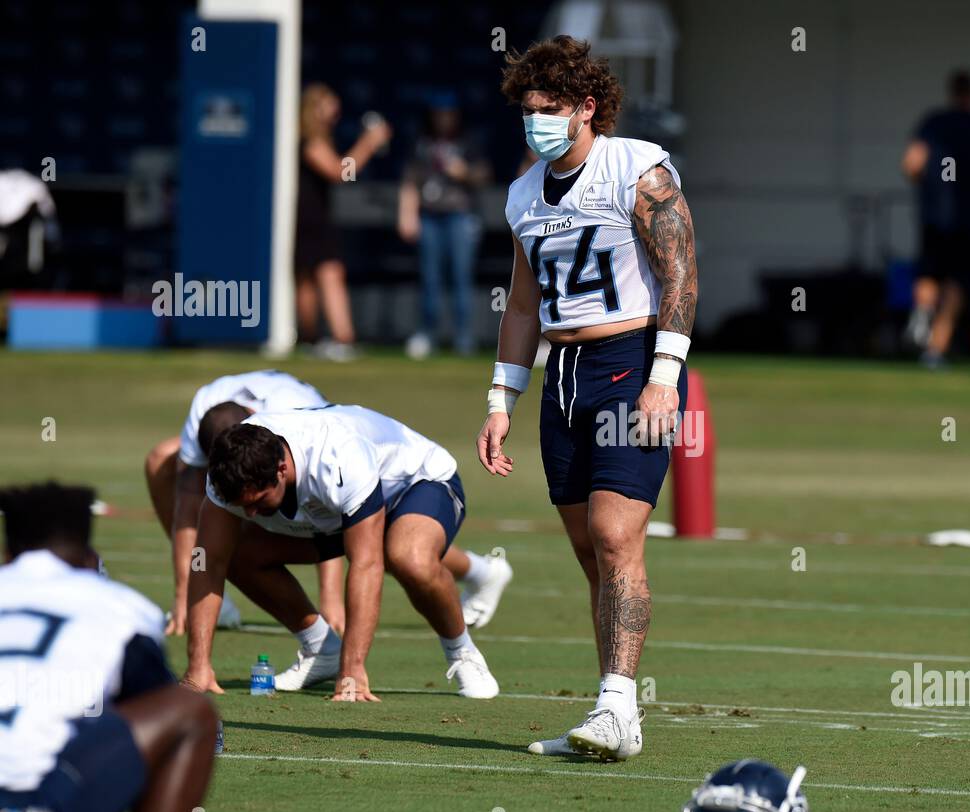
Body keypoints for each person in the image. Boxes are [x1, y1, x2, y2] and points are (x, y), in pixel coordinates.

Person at [480, 35, 697, 760]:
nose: (536, 122)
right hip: (562, 374)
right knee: (591, 554)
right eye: (527, 110)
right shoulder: (521, 193)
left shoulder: (637, 168)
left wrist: (664, 375)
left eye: (549, 110)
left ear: (587, 108)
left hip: (629, 360)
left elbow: (681, 273)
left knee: (614, 535)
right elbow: (520, 303)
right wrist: (501, 396)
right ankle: (616, 705)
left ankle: (615, 707)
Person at [184, 405, 510, 701]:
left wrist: (352, 670)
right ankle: (320, 648)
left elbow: (366, 564)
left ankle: (462, 651)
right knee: (234, 552)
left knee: (408, 558)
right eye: (243, 506)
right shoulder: (225, 472)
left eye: (258, 502)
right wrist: (198, 666)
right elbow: (203, 560)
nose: (251, 515)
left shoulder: (337, 458)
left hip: (416, 482)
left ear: (282, 469)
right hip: (334, 512)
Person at [0, 482, 217, 812]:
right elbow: (147, 710)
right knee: (190, 713)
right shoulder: (121, 609)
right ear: (89, 557)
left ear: (7, 554)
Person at [143, 370, 345, 637]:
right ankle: (208, 591)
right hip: (237, 432)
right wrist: (184, 593)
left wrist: (331, 597)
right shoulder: (204, 407)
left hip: (314, 454)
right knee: (161, 458)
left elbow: (326, 502)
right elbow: (189, 512)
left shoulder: (296, 416)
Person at [901, 69, 970, 368]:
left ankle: (921, 313)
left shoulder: (933, 123)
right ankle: (935, 351)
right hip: (968, 219)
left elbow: (912, 163)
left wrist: (929, 184)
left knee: (929, 273)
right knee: (958, 284)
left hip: (934, 214)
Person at [296, 83, 391, 362]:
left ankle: (310, 340)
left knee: (309, 277)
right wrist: (369, 142)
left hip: (311, 215)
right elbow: (340, 172)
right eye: (328, 105)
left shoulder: (317, 138)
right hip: (309, 218)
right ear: (313, 109)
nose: (334, 112)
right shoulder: (309, 141)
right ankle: (342, 339)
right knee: (328, 272)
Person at [399, 92, 492, 359]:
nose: (443, 119)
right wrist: (407, 214)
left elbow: (484, 175)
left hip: (460, 216)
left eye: (448, 114)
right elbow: (410, 181)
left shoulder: (470, 141)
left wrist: (463, 172)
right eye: (438, 114)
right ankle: (428, 334)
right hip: (429, 216)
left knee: (461, 278)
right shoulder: (422, 142)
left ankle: (464, 337)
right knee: (430, 278)